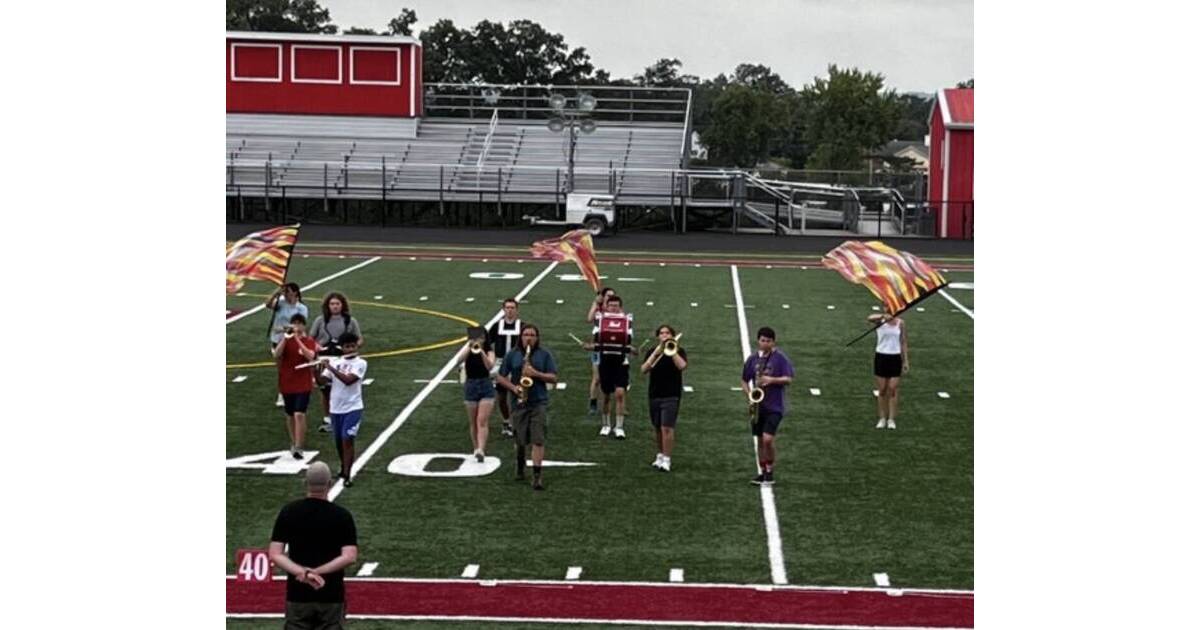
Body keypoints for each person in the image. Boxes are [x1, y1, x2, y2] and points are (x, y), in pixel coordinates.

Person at [268, 461, 358, 630]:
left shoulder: (289, 511)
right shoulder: (342, 516)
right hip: (331, 594)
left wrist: (303, 572)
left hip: (298, 594)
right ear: (329, 484)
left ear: (305, 483)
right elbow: (349, 556)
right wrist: (317, 572)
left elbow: (275, 554)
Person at [496, 324, 558, 490]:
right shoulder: (513, 355)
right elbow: (500, 377)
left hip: (538, 402)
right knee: (520, 439)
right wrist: (513, 388)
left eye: (532, 335)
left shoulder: (544, 355)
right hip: (518, 402)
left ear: (537, 338)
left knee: (538, 439)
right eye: (525, 335)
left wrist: (536, 374)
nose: (528, 338)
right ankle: (520, 465)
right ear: (520, 337)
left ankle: (537, 476)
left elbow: (553, 378)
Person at [741, 326, 794, 486]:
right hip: (758, 406)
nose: (765, 344)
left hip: (775, 406)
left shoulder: (780, 358)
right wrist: (750, 395)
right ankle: (763, 471)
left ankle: (770, 469)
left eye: (768, 341)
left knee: (768, 439)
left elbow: (789, 379)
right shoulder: (752, 359)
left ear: (773, 342)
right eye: (762, 340)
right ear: (758, 341)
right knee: (759, 440)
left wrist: (771, 380)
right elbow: (744, 380)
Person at [309, 292, 364, 433]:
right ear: (327, 306)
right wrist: (317, 347)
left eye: (337, 304)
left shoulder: (350, 321)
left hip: (342, 359)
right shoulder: (320, 320)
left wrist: (351, 347)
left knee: (341, 388)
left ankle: (344, 416)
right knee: (325, 390)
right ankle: (328, 418)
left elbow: (359, 339)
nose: (334, 307)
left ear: (342, 305)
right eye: (332, 304)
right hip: (324, 357)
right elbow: (310, 339)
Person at [317, 334, 367, 487]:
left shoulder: (361, 363)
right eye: (347, 346)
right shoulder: (336, 362)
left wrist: (330, 367)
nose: (350, 349)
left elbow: (348, 380)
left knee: (347, 439)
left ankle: (348, 474)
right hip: (336, 408)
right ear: (342, 348)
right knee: (339, 441)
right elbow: (322, 382)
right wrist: (315, 369)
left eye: (353, 346)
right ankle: (343, 467)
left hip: (353, 407)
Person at [641, 324, 688, 472]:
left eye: (667, 333)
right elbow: (644, 369)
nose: (664, 335)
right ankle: (660, 455)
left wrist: (672, 351)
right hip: (655, 394)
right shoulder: (652, 352)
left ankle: (667, 459)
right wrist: (656, 353)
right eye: (661, 333)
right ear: (658, 337)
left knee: (667, 427)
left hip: (671, 395)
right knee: (657, 427)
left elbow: (682, 366)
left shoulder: (679, 351)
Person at [588, 294, 636, 439]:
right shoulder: (600, 319)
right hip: (605, 360)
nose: (614, 308)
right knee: (606, 394)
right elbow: (597, 338)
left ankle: (619, 426)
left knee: (620, 393)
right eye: (611, 306)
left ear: (620, 307)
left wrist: (631, 349)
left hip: (621, 362)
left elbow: (628, 339)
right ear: (607, 306)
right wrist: (590, 346)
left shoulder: (626, 320)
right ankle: (606, 424)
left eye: (616, 306)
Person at [273, 313, 319, 459]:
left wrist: (298, 340)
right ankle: (294, 442)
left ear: (304, 326)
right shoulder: (285, 340)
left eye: (299, 324)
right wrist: (286, 339)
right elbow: (277, 355)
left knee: (299, 413)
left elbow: (310, 356)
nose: (297, 327)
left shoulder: (309, 341)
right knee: (290, 414)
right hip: (287, 382)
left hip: (303, 383)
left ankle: (299, 445)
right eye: (295, 324)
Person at [457, 327, 496, 462]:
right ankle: (476, 448)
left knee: (482, 420)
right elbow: (458, 360)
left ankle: (481, 449)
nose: (477, 340)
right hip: (471, 385)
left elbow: (490, 366)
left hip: (485, 385)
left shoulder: (489, 351)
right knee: (473, 421)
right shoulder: (468, 348)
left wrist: (481, 352)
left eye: (480, 337)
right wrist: (470, 346)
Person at [266, 282, 307, 406]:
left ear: (295, 292)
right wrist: (276, 293)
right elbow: (268, 304)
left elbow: (300, 326)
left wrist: (283, 328)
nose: (285, 294)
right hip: (278, 340)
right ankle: (282, 393)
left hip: (293, 339)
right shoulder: (281, 303)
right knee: (281, 368)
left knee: (294, 366)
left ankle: (298, 388)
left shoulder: (301, 308)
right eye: (284, 292)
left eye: (287, 291)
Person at [868, 312, 909, 429]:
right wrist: (883, 317)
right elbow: (869, 318)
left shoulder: (900, 323)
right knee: (882, 389)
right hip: (881, 356)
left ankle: (891, 419)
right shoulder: (880, 321)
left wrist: (905, 360)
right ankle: (882, 418)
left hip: (895, 357)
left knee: (892, 389)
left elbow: (903, 342)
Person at [487, 298, 522, 437]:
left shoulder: (522, 326)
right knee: (501, 396)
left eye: (512, 307)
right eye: (507, 307)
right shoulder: (497, 326)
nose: (510, 310)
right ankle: (506, 421)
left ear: (516, 310)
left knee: (518, 394)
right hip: (501, 364)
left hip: (517, 364)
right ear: (503, 309)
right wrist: (491, 356)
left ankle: (518, 421)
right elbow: (487, 342)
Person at [585, 287, 616, 415]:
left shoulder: (615, 309)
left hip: (612, 348)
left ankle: (611, 404)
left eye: (612, 295)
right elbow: (589, 318)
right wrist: (595, 303)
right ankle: (593, 402)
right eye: (608, 295)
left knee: (611, 378)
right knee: (597, 378)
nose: (610, 298)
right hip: (598, 347)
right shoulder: (598, 309)